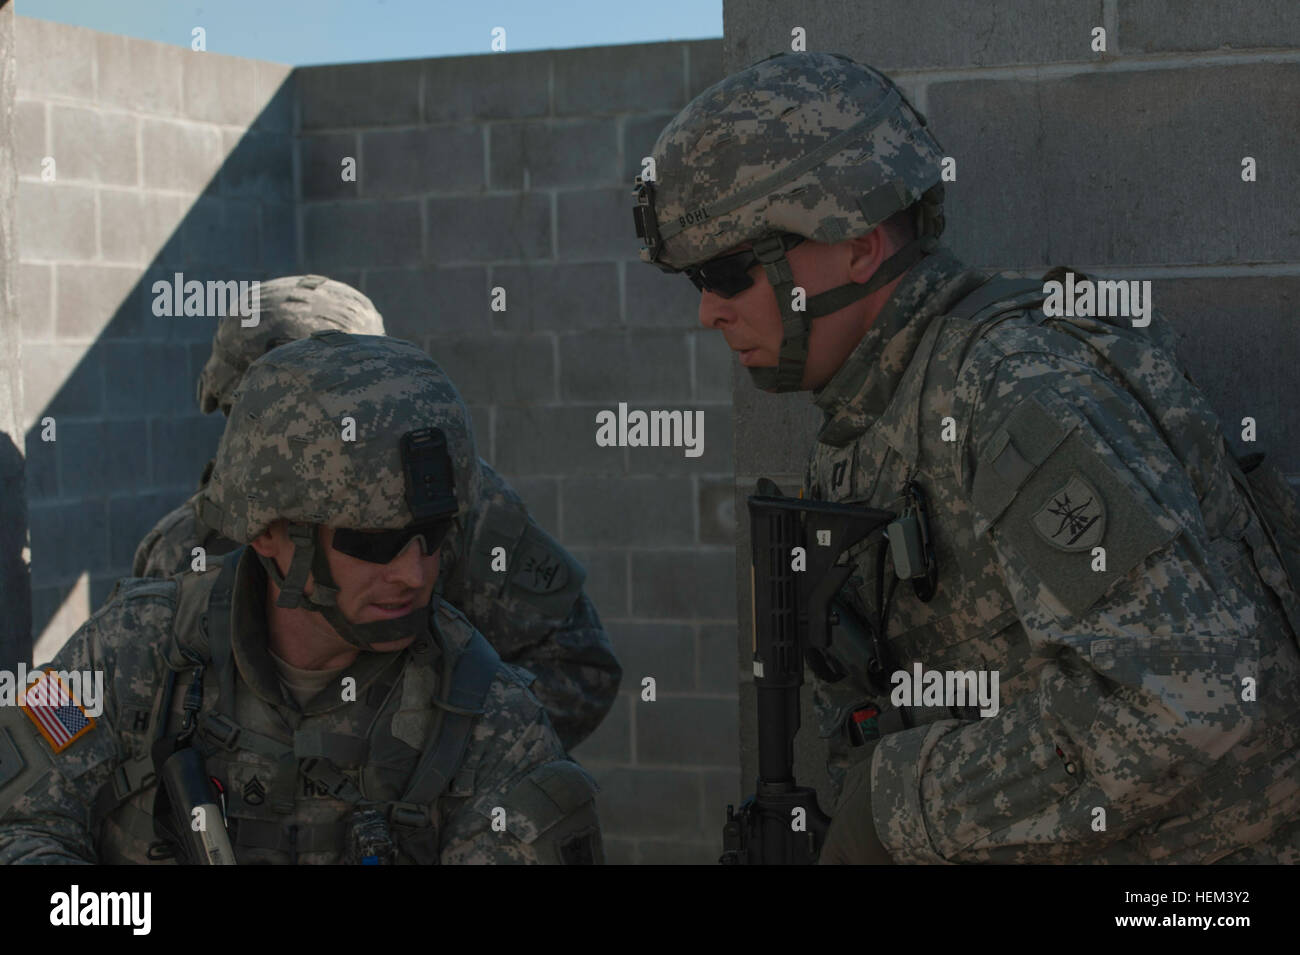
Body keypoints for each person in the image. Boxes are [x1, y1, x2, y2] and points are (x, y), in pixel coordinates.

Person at [634, 51, 1300, 863]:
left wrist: (896, 806)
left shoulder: (1015, 389)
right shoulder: (871, 418)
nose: (709, 312)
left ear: (859, 244)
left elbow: (1185, 700)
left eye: (729, 272)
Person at [0, 333, 604, 864]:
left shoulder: (493, 721)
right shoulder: (123, 651)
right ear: (267, 531)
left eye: (435, 537)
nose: (414, 573)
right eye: (375, 542)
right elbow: (18, 824)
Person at [132, 274, 620, 751]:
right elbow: (94, 715)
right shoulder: (185, 545)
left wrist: (437, 749)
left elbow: (577, 671)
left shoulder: (461, 508)